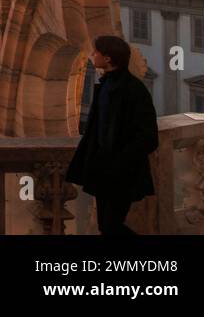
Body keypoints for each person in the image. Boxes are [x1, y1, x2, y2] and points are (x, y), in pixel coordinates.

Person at [67, 35, 159, 235]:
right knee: (105, 226)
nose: (93, 55)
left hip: (120, 173)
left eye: (97, 52)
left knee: (111, 226)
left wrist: (120, 160)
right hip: (103, 171)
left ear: (108, 59)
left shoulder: (134, 90)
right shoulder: (107, 84)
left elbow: (149, 137)